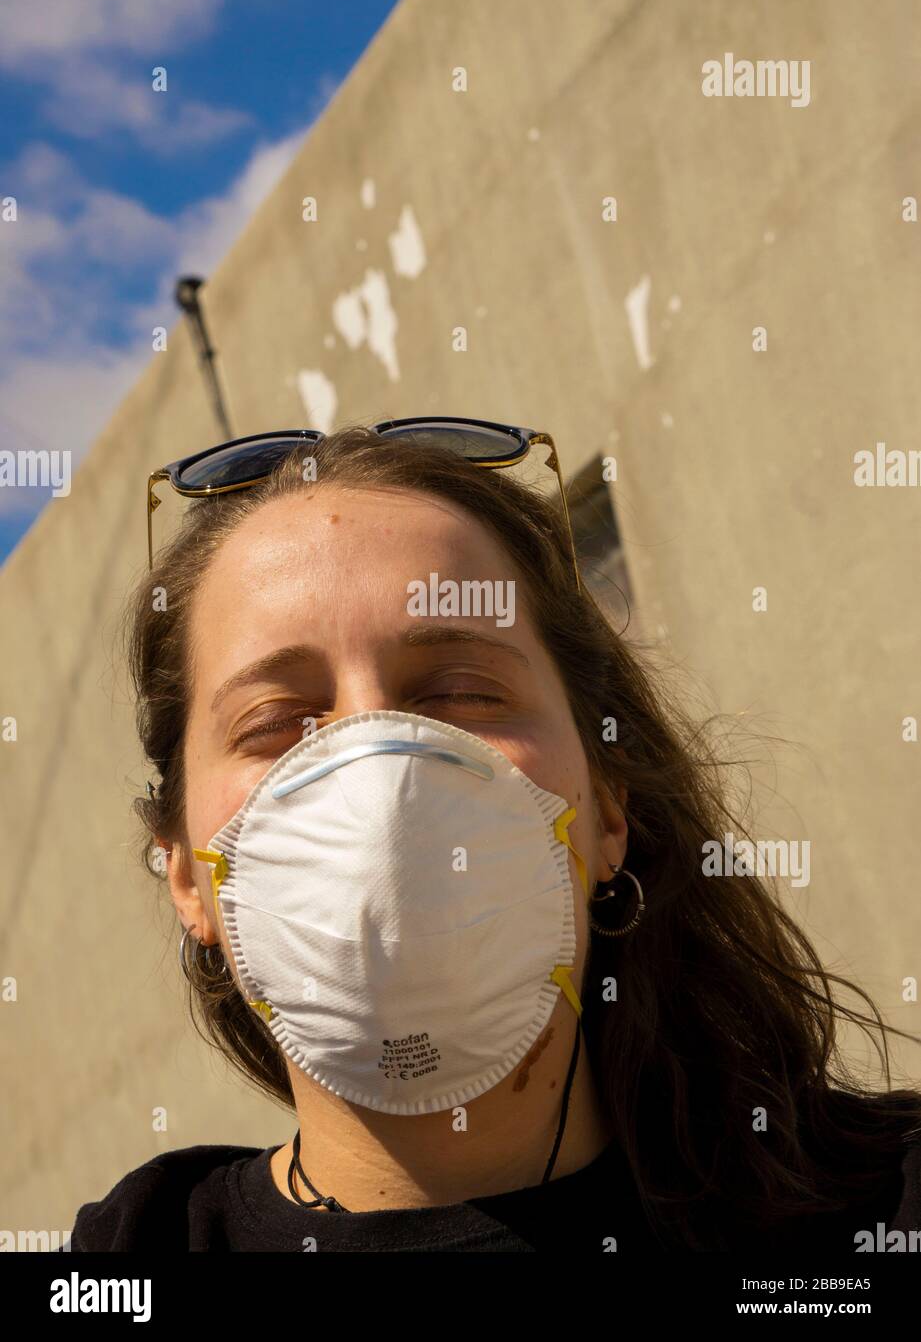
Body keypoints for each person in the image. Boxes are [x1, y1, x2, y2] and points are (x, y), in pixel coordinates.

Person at [65, 422, 921, 1252]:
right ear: (185, 876)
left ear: (607, 809)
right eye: (278, 720)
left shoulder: (882, 1207)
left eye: (460, 690)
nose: (378, 774)